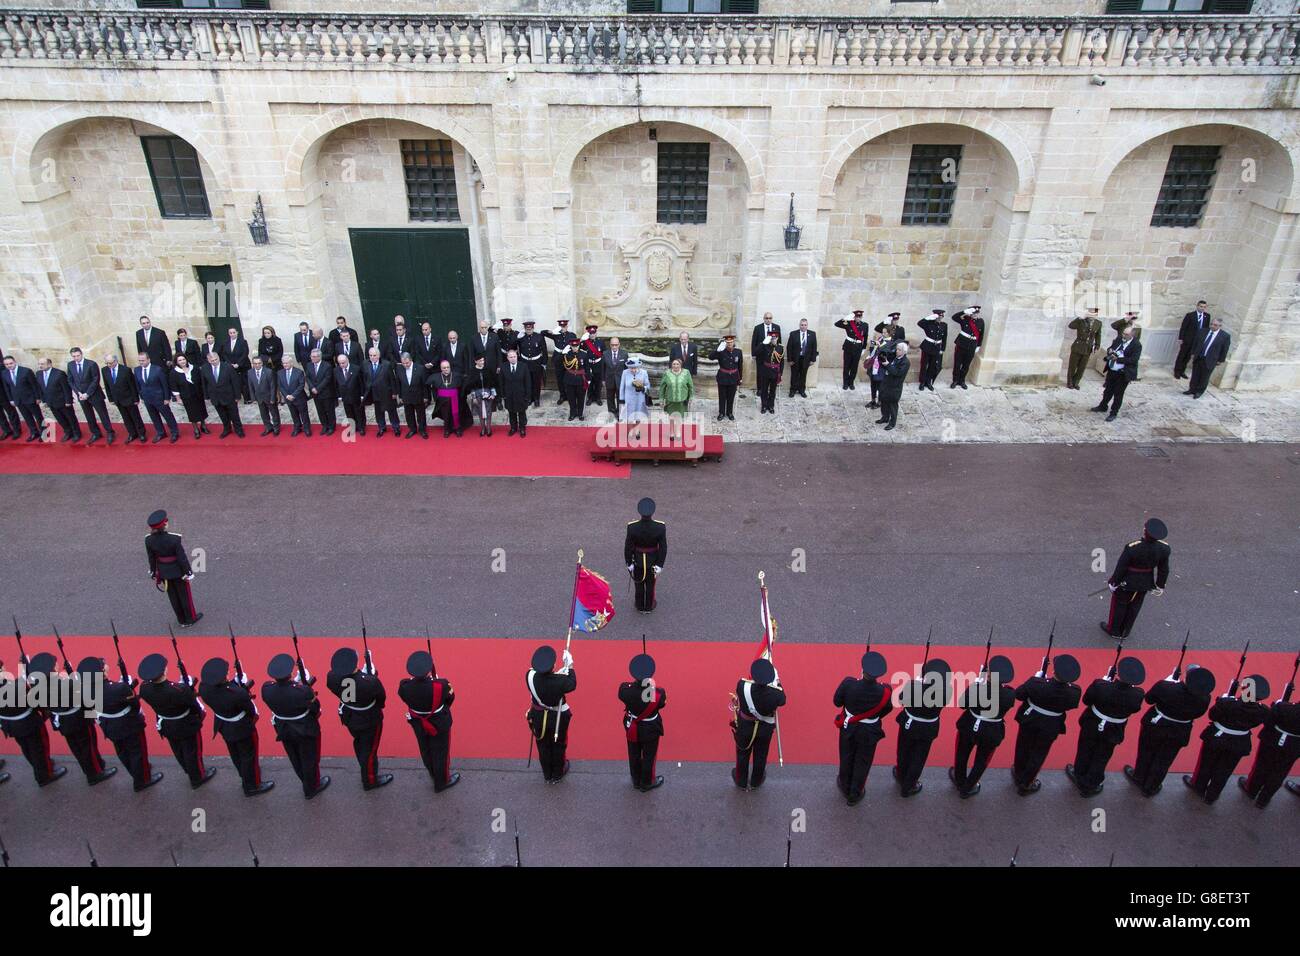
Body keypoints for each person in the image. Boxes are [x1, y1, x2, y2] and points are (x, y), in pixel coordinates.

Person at [1124, 664, 1215, 798]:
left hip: (1156, 725)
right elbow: (1198, 714)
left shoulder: (1166, 687)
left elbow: (1149, 699)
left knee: (1146, 751)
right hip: (1179, 731)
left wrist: (1169, 683)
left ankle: (1139, 776)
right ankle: (1151, 786)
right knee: (1164, 760)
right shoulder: (1205, 698)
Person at [25, 652, 115, 786]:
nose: (57, 665)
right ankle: (95, 774)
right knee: (87, 747)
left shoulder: (37, 687)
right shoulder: (68, 683)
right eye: (55, 664)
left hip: (63, 721)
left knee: (76, 748)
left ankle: (91, 768)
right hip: (78, 719)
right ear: (53, 669)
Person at [1065, 656, 1146, 796]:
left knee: (1085, 748)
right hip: (1114, 729)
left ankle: (1079, 773)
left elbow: (1087, 700)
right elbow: (1135, 709)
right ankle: (1090, 783)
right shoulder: (1137, 694)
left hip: (1093, 722)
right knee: (1102, 756)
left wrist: (1105, 683)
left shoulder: (1101, 686)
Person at [1185, 674, 1270, 804]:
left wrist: (1223, 700)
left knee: (1206, 764)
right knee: (1225, 770)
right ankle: (1212, 795)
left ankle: (1199, 787)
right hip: (1239, 742)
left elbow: (1212, 715)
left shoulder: (1228, 703)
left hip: (1218, 738)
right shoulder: (1263, 710)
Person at [136, 652, 215, 789]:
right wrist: (188, 689)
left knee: (178, 750)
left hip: (166, 724)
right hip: (185, 723)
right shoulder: (179, 689)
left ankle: (188, 769)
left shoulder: (144, 688)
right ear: (164, 671)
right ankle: (197, 777)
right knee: (192, 752)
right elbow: (194, 706)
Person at [84, 655, 163, 792]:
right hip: (128, 724)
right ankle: (142, 780)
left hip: (108, 725)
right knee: (137, 752)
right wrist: (128, 688)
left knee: (122, 752)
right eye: (104, 665)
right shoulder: (118, 688)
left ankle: (135, 771)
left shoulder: (87, 690)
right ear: (102, 671)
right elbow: (135, 705)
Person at [198, 657, 274, 796]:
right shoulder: (237, 694)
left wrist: (235, 683)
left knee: (235, 753)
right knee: (248, 756)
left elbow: (223, 691)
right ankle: (252, 785)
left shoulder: (203, 688)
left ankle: (244, 775)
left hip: (223, 724)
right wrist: (241, 687)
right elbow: (250, 710)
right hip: (241, 727)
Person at [1011, 653, 1082, 796]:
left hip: (1030, 719)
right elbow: (1072, 705)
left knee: (1023, 746)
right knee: (1039, 753)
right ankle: (1027, 782)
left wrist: (1037, 679)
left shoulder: (1036, 684)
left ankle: (1019, 772)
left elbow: (1019, 694)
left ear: (1054, 671)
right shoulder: (1074, 692)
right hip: (1051, 724)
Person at [262, 653, 330, 799]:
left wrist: (297, 684)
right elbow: (315, 708)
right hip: (304, 728)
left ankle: (305, 780)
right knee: (310, 759)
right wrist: (302, 685)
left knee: (295, 757)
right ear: (290, 673)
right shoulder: (302, 691)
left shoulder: (267, 689)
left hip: (284, 728)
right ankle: (312, 787)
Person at [326, 646, 392, 790]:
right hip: (368, 719)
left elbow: (341, 689)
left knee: (359, 743)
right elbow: (381, 699)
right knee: (370, 751)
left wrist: (364, 675)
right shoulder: (370, 682)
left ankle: (363, 763)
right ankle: (370, 780)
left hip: (349, 716)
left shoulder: (332, 677)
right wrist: (370, 675)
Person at [951, 654, 1017, 798]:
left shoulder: (977, 688)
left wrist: (977, 685)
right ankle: (968, 787)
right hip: (992, 730)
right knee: (981, 761)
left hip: (969, 725)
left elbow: (963, 704)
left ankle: (959, 779)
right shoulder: (1010, 694)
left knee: (962, 754)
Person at [833, 650, 892, 805]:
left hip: (849, 727)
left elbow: (837, 702)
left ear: (863, 669)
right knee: (863, 761)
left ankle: (845, 785)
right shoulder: (884, 691)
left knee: (846, 756)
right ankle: (855, 792)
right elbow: (887, 709)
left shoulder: (849, 683)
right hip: (869, 731)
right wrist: (873, 718)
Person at [398, 650, 460, 793]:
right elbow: (450, 699)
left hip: (418, 722)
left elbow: (405, 697)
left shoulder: (404, 686)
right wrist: (435, 681)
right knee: (441, 752)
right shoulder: (441, 685)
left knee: (425, 749)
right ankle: (442, 781)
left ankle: (432, 773)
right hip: (438, 722)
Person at [1101, 517, 1170, 639]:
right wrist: (1160, 585)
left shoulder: (1132, 547)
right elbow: (1163, 569)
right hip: (1145, 582)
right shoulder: (1164, 548)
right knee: (1135, 606)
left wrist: (1114, 582)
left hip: (1128, 581)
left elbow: (1121, 567)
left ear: (1145, 531)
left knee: (1120, 605)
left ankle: (1114, 630)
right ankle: (1125, 631)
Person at [0, 656, 65, 786]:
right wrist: (25, 667)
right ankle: (45, 775)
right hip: (28, 722)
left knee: (26, 748)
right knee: (39, 749)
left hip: (10, 725)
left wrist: (23, 668)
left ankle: (39, 766)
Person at [1238, 680, 1300, 808]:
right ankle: (1264, 800)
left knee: (1262, 766)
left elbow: (1268, 721)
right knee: (1280, 772)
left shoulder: (1284, 708)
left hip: (1272, 740)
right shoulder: (1285, 707)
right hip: (1294, 746)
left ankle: (1251, 790)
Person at [895, 658, 951, 797]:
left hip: (909, 724)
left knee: (903, 751)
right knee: (919, 758)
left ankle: (901, 775)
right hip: (928, 728)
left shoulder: (913, 686)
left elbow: (901, 700)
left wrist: (918, 683)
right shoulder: (945, 693)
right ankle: (909, 785)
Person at [731, 657, 785, 791]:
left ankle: (741, 780)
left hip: (745, 726)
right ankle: (756, 780)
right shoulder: (776, 694)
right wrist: (777, 682)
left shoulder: (742, 685)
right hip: (764, 728)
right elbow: (783, 700)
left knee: (742, 753)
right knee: (761, 755)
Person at [526, 644, 576, 784]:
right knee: (558, 745)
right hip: (557, 717)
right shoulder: (559, 681)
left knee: (542, 745)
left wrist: (557, 675)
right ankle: (557, 773)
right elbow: (572, 683)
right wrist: (569, 666)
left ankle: (547, 774)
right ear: (553, 666)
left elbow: (547, 681)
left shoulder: (529, 675)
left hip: (538, 714)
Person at [145, 509, 203, 627]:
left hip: (164, 572)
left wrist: (153, 572)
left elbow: (151, 558)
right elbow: (182, 558)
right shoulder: (174, 539)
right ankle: (190, 618)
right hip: (178, 572)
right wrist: (188, 572)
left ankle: (181, 620)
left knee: (173, 596)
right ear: (164, 524)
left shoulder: (148, 540)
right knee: (184, 596)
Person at [619, 653, 666, 792]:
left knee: (633, 753)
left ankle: (636, 778)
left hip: (632, 726)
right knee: (649, 756)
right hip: (650, 727)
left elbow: (624, 692)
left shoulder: (625, 690)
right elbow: (661, 704)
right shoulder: (658, 694)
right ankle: (647, 781)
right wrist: (651, 687)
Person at [1091, 321, 1141, 421]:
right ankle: (1103, 406)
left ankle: (1114, 412)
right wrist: (1110, 350)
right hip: (1112, 371)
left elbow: (1133, 360)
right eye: (1123, 333)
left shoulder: (1136, 345)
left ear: (1132, 335)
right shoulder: (1119, 339)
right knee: (1108, 390)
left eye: (1126, 334)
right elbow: (1112, 347)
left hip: (1123, 373)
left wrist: (1117, 359)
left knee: (1118, 394)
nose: (1123, 335)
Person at [625, 496, 667, 614]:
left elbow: (628, 546)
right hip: (653, 560)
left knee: (638, 584)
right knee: (650, 585)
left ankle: (639, 605)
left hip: (637, 560)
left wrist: (629, 562)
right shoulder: (660, 527)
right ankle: (648, 606)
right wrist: (660, 564)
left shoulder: (632, 527)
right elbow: (663, 547)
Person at [67, 347, 113, 445]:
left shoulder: (91, 364)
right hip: (81, 396)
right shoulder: (70, 365)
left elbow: (95, 380)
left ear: (81, 354)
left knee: (103, 415)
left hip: (94, 395)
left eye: (78, 355)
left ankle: (110, 432)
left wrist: (87, 394)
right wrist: (78, 393)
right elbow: (70, 380)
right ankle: (96, 433)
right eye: (74, 356)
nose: (76, 358)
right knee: (89, 416)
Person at [103, 353, 146, 444]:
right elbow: (107, 385)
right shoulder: (105, 370)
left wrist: (136, 399)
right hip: (117, 399)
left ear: (115, 361)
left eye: (110, 363)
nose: (109, 365)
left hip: (129, 398)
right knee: (125, 417)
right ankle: (132, 433)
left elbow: (132, 385)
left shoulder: (125, 370)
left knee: (135, 417)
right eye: (107, 363)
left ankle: (141, 433)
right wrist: (110, 398)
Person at [136, 353, 179, 443]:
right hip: (147, 399)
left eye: (143, 360)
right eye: (139, 360)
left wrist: (167, 398)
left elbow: (165, 384)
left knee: (168, 416)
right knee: (154, 417)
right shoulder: (137, 370)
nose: (141, 362)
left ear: (148, 360)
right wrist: (142, 396)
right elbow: (138, 385)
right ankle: (160, 432)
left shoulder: (157, 369)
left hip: (160, 398)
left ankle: (174, 432)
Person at [202, 350, 244, 438]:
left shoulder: (228, 367)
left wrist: (237, 396)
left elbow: (235, 382)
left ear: (219, 358)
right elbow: (204, 383)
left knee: (234, 415)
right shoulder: (205, 368)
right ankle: (227, 429)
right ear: (208, 360)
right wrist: (206, 396)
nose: (214, 362)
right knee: (222, 415)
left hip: (229, 395)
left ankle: (239, 429)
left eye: (216, 359)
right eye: (212, 360)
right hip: (215, 396)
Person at [37, 356, 80, 442]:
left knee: (70, 418)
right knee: (60, 419)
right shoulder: (38, 374)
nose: (40, 366)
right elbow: (41, 388)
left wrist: (68, 401)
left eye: (42, 364)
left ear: (49, 364)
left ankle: (76, 433)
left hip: (63, 402)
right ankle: (68, 432)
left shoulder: (59, 373)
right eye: (39, 364)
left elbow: (66, 388)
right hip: (51, 402)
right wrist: (44, 400)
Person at [1186, 317, 1230, 399]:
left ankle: (1199, 392)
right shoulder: (1202, 331)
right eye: (1211, 324)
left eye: (1215, 325)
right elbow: (1195, 343)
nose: (1212, 326)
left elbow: (1224, 349)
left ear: (1220, 326)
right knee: (1195, 375)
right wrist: (1193, 353)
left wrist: (1220, 360)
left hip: (1210, 359)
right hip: (1199, 357)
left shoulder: (1225, 336)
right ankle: (1192, 389)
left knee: (1204, 377)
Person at [169, 353, 209, 440]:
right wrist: (178, 398)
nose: (182, 361)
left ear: (186, 359)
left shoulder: (194, 368)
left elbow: (201, 381)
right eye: (180, 360)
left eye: (183, 359)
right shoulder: (174, 372)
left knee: (202, 410)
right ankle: (196, 429)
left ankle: (203, 426)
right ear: (176, 362)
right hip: (186, 396)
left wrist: (205, 394)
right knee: (192, 413)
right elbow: (174, 387)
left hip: (198, 394)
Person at [3, 354, 42, 441]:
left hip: (30, 398)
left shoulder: (26, 371)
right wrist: (11, 399)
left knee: (38, 417)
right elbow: (7, 388)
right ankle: (34, 432)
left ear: (15, 362)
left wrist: (37, 397)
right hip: (18, 400)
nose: (9, 366)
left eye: (11, 363)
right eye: (7, 364)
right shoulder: (4, 373)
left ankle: (44, 433)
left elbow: (34, 385)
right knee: (27, 417)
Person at [363, 347, 400, 438]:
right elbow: (365, 378)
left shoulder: (386, 364)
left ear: (379, 355)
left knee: (392, 412)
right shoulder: (365, 364)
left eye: (374, 355)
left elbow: (392, 379)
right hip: (374, 393)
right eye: (370, 355)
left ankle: (396, 427)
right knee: (378, 412)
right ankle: (382, 427)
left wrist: (394, 393)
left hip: (387, 393)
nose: (372, 357)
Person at [1065, 307, 1103, 389]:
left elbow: (1098, 335)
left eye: (1094, 313)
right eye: (1090, 312)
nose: (1092, 314)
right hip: (1078, 346)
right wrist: (1080, 317)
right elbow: (1071, 326)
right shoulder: (1081, 320)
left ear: (1096, 314)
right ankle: (1070, 382)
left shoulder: (1098, 323)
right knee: (1073, 366)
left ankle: (1076, 382)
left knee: (1082, 367)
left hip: (1088, 348)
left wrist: (1097, 344)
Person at [498, 347, 532, 438]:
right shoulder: (503, 367)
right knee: (511, 412)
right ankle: (513, 428)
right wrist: (502, 395)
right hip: (509, 395)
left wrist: (528, 396)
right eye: (511, 357)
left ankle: (522, 428)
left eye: (514, 356)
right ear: (507, 358)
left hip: (521, 394)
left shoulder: (523, 366)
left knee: (521, 412)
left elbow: (528, 382)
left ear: (517, 356)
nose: (513, 358)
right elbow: (501, 382)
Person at [1174, 300, 1211, 380]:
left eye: (1204, 307)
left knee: (1188, 357)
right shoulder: (1190, 315)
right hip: (1188, 339)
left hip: (1197, 341)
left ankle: (1182, 371)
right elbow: (1184, 327)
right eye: (1201, 306)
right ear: (1197, 306)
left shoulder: (1207, 316)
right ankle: (1177, 371)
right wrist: (1181, 338)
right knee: (1182, 355)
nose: (1202, 308)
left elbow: (1206, 328)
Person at [659, 357, 693, 443]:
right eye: (674, 364)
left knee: (679, 417)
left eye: (677, 364)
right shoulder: (667, 373)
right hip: (670, 400)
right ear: (671, 365)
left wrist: (691, 397)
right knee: (671, 417)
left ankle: (678, 432)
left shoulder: (686, 373)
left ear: (680, 365)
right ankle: (671, 432)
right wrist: (661, 399)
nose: (675, 365)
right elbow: (662, 387)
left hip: (682, 400)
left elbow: (690, 386)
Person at [877, 341, 909, 430]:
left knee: (892, 405)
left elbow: (897, 373)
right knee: (883, 402)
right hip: (886, 383)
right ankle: (885, 417)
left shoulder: (905, 362)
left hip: (894, 387)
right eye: (897, 349)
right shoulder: (895, 357)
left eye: (899, 350)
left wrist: (887, 365)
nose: (897, 351)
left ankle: (892, 422)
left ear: (904, 352)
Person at [543, 319, 577, 404]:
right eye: (561, 326)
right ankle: (562, 395)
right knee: (560, 379)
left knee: (569, 378)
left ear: (567, 326)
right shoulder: (556, 335)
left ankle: (570, 395)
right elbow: (542, 333)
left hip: (568, 359)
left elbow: (576, 346)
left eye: (564, 326)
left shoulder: (572, 335)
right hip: (558, 359)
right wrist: (551, 331)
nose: (563, 328)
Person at [949, 306, 983, 389]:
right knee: (957, 364)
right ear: (970, 313)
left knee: (966, 365)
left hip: (972, 346)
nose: (975, 315)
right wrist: (964, 311)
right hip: (961, 345)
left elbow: (981, 335)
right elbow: (954, 317)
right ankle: (955, 380)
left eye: (977, 313)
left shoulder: (981, 321)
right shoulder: (965, 319)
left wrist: (978, 345)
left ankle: (962, 381)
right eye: (973, 313)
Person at [398, 353, 431, 439]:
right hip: (406, 395)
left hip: (418, 395)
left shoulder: (420, 368)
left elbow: (425, 384)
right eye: (403, 363)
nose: (405, 365)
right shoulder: (399, 368)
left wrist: (426, 396)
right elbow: (399, 383)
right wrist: (400, 396)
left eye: (407, 363)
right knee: (409, 414)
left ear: (411, 360)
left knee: (421, 414)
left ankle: (422, 430)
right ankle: (412, 429)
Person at [834, 309, 869, 390]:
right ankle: (845, 383)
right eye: (856, 316)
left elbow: (865, 337)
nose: (858, 318)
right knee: (846, 366)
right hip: (848, 347)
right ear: (854, 317)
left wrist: (863, 348)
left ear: (861, 317)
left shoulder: (865, 325)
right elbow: (836, 324)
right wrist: (845, 318)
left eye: (859, 317)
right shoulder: (849, 323)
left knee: (854, 366)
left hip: (858, 348)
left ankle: (851, 382)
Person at [305, 348, 336, 435]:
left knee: (329, 410)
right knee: (320, 410)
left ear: (319, 357)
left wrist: (317, 389)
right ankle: (324, 425)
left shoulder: (327, 365)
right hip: (315, 393)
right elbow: (307, 377)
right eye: (311, 356)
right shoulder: (309, 365)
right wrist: (312, 388)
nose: (312, 358)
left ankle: (331, 427)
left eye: (314, 357)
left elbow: (327, 379)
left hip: (325, 392)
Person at [465, 354, 498, 437]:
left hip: (488, 393)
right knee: (480, 412)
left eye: (483, 360)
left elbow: (494, 382)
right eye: (480, 361)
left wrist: (493, 394)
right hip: (477, 394)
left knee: (489, 412)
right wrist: (474, 397)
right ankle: (483, 429)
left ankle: (489, 428)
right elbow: (470, 385)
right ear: (475, 361)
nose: (482, 362)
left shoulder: (488, 369)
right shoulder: (472, 371)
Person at [333, 353, 366, 437]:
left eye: (343, 363)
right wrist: (339, 396)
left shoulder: (356, 368)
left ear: (347, 360)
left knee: (359, 412)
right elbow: (336, 384)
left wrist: (362, 395)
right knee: (349, 413)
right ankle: (353, 427)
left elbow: (361, 383)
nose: (341, 365)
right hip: (345, 396)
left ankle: (361, 427)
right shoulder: (336, 370)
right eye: (339, 363)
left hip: (356, 395)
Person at [279, 357, 312, 438]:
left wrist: (293, 395)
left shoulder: (299, 372)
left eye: (287, 363)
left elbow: (301, 385)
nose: (285, 365)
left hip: (299, 398)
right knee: (294, 414)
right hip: (288, 398)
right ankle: (297, 427)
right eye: (283, 363)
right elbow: (280, 386)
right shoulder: (279, 373)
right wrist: (286, 395)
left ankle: (307, 428)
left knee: (304, 414)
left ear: (291, 363)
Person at [431, 358, 464, 438]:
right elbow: (434, 389)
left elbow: (462, 387)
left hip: (455, 399)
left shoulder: (457, 375)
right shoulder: (436, 377)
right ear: (441, 368)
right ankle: (446, 430)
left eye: (447, 367)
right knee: (446, 415)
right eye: (444, 368)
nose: (446, 369)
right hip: (442, 400)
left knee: (456, 414)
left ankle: (457, 429)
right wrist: (436, 398)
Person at [518, 320, 548, 407]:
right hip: (525, 363)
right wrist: (518, 337)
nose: (528, 330)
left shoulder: (539, 337)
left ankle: (536, 399)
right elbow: (516, 348)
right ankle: (529, 398)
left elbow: (544, 351)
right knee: (527, 382)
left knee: (536, 382)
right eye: (527, 329)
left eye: (530, 329)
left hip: (536, 363)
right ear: (524, 329)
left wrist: (544, 363)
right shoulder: (521, 338)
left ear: (533, 328)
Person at [618, 357, 651, 437]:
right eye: (631, 368)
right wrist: (621, 399)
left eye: (635, 368)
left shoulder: (644, 372)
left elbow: (648, 385)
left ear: (638, 366)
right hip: (629, 398)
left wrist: (643, 388)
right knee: (629, 415)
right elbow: (622, 386)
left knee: (638, 415)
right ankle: (629, 430)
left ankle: (637, 431)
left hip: (640, 398)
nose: (633, 370)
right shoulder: (625, 372)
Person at [248, 356, 280, 436]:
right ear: (253, 364)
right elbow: (250, 386)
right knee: (263, 414)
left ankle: (276, 427)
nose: (257, 365)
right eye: (255, 363)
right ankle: (268, 427)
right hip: (259, 398)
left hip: (269, 397)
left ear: (262, 363)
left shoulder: (268, 371)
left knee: (274, 413)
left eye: (259, 363)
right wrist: (253, 398)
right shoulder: (250, 372)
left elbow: (273, 386)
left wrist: (273, 398)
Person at [916, 309, 947, 391]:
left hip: (937, 347)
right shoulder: (928, 324)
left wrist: (942, 349)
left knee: (932, 366)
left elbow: (944, 337)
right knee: (924, 365)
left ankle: (928, 382)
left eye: (941, 316)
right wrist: (928, 318)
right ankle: (922, 382)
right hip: (927, 346)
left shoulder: (944, 325)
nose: (940, 318)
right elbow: (919, 323)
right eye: (938, 316)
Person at [785, 318, 817, 398]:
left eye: (805, 325)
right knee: (794, 375)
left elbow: (814, 347)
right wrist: (790, 359)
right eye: (802, 325)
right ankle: (792, 390)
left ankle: (801, 390)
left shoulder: (812, 334)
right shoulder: (793, 334)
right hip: (795, 359)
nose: (803, 326)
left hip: (806, 359)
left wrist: (813, 359)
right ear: (799, 325)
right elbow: (789, 347)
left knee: (803, 375)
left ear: (807, 325)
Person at [713, 334, 742, 421]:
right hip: (722, 377)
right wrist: (717, 350)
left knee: (731, 396)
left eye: (731, 342)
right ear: (725, 343)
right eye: (728, 342)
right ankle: (721, 412)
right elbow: (710, 357)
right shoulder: (721, 351)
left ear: (734, 342)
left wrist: (740, 378)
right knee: (722, 396)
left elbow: (740, 366)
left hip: (733, 377)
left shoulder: (738, 352)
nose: (729, 344)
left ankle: (729, 412)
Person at [219, 327, 252, 403]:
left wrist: (238, 364)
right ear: (228, 334)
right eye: (230, 333)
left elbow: (245, 353)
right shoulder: (225, 342)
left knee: (245, 382)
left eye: (234, 332)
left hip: (243, 365)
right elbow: (224, 354)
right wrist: (230, 364)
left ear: (237, 333)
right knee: (236, 382)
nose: (232, 334)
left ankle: (248, 398)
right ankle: (238, 397)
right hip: (231, 366)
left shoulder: (243, 341)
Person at [756, 328, 784, 414]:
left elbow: (781, 361)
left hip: (775, 372)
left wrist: (781, 373)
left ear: (777, 338)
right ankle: (764, 405)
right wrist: (763, 343)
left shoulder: (780, 348)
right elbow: (756, 352)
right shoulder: (765, 346)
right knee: (764, 390)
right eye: (771, 338)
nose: (773, 340)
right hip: (765, 372)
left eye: (775, 338)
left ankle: (771, 406)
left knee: (773, 391)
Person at [559, 339, 587, 421]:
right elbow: (558, 362)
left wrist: (588, 379)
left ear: (579, 346)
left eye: (577, 346)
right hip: (569, 379)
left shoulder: (584, 354)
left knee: (581, 397)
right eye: (573, 346)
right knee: (571, 398)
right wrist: (562, 354)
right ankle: (572, 413)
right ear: (570, 346)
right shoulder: (567, 354)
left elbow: (587, 368)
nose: (575, 348)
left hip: (580, 379)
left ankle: (580, 413)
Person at [579, 324, 605, 406]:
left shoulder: (600, 342)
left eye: (594, 333)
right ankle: (590, 397)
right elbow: (580, 352)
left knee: (598, 382)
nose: (592, 335)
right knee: (589, 382)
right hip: (588, 365)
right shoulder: (584, 343)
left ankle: (598, 398)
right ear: (588, 334)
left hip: (598, 364)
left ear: (596, 333)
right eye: (590, 333)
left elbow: (604, 352)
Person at [603, 336, 629, 416]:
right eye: (612, 345)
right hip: (609, 380)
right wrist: (603, 380)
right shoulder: (605, 354)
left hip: (620, 380)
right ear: (610, 345)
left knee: (620, 398)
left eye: (616, 345)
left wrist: (626, 381)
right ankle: (611, 413)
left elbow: (626, 369)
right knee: (610, 398)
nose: (614, 346)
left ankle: (619, 413)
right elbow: (603, 368)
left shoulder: (624, 354)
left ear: (619, 344)